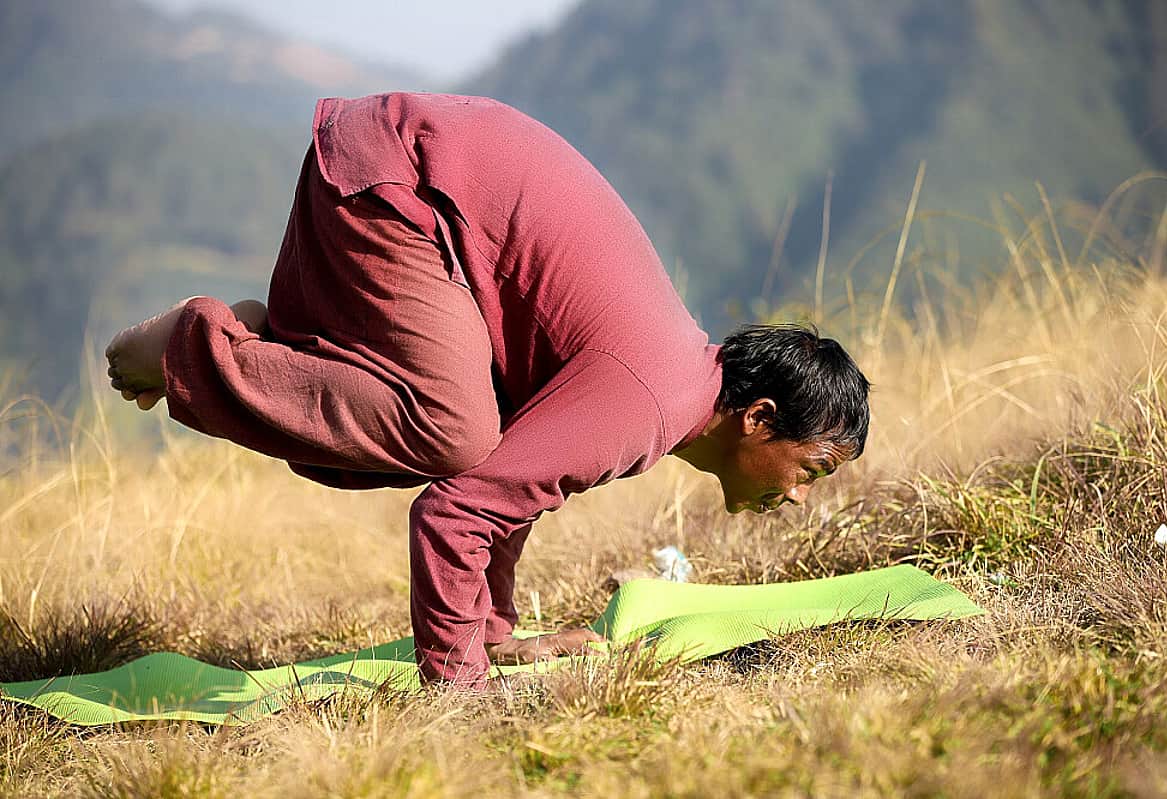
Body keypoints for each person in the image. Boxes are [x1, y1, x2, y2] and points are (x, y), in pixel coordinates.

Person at [105, 92, 870, 688]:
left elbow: (507, 486)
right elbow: (456, 510)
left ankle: (266, 347)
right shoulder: (651, 401)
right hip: (394, 173)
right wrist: (459, 688)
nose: (801, 495)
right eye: (815, 468)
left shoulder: (666, 376)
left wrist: (493, 633)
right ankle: (197, 347)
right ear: (759, 418)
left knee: (475, 433)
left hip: (403, 178)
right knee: (450, 431)